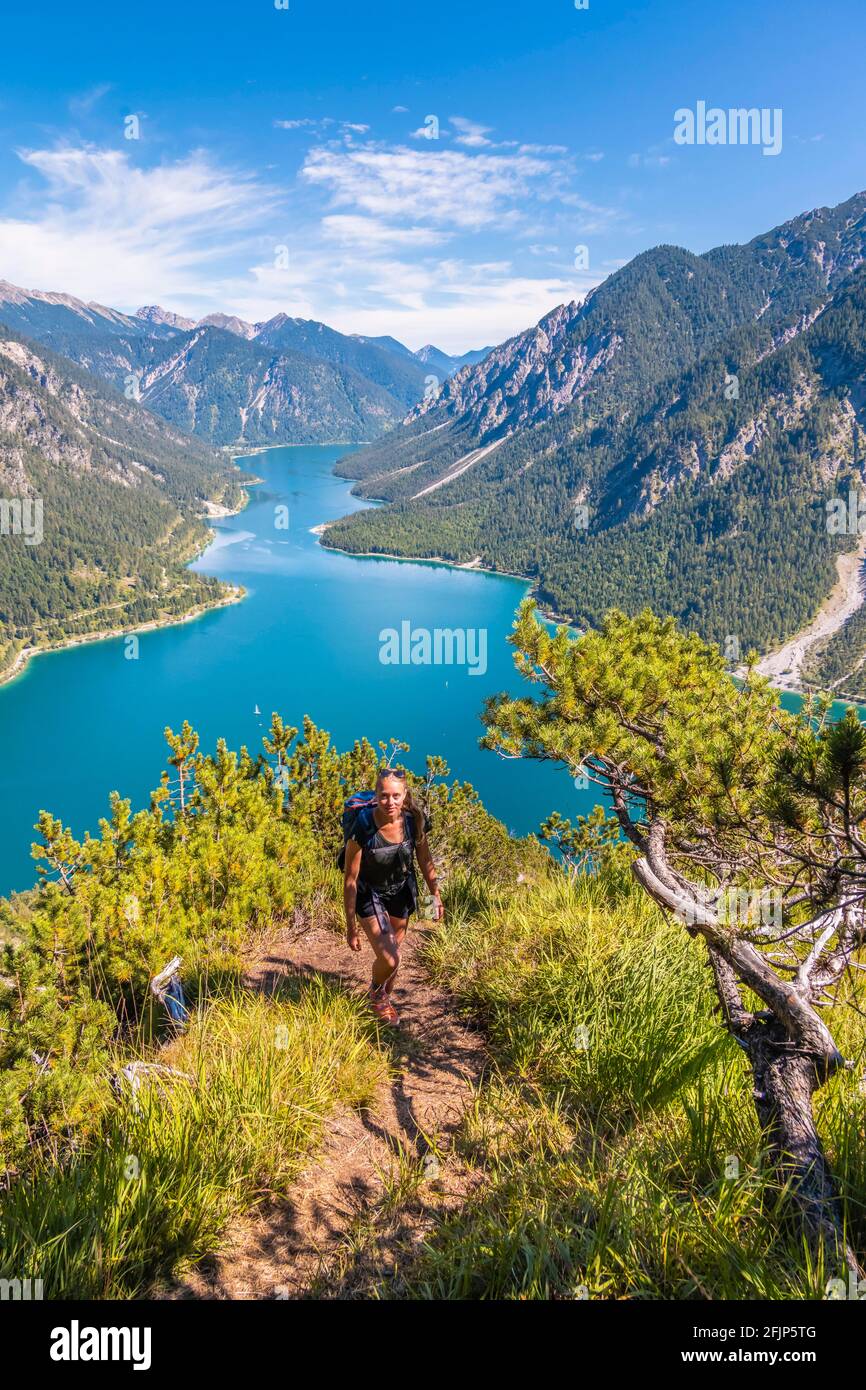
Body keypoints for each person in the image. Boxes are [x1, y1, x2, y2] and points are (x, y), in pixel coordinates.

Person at [343, 768, 443, 1024]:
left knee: (393, 951)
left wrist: (435, 895)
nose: (390, 802)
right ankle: (376, 996)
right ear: (376, 795)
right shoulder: (363, 826)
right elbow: (351, 880)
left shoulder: (413, 820)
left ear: (405, 795)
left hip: (400, 888)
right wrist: (351, 926)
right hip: (369, 892)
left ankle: (382, 1000)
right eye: (384, 796)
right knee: (390, 958)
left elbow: (425, 860)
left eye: (396, 796)